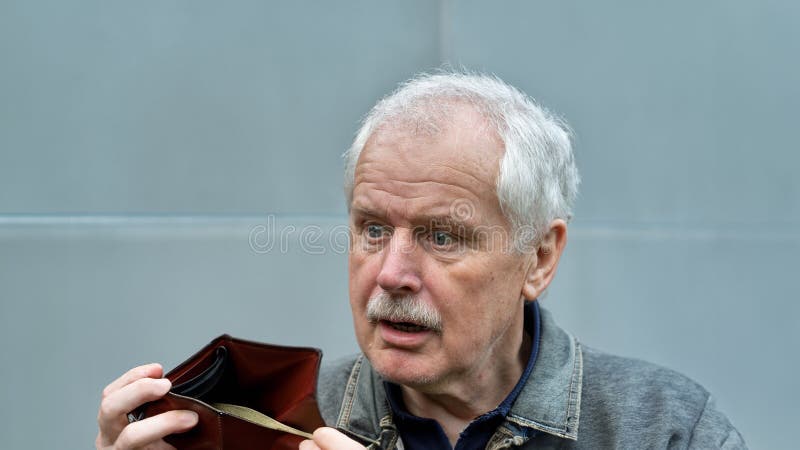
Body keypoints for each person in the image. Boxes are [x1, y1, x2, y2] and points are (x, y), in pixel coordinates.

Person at [96, 72, 746, 449]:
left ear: (539, 258)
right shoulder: (275, 420)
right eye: (373, 229)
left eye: (442, 237)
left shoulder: (667, 430)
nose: (390, 275)